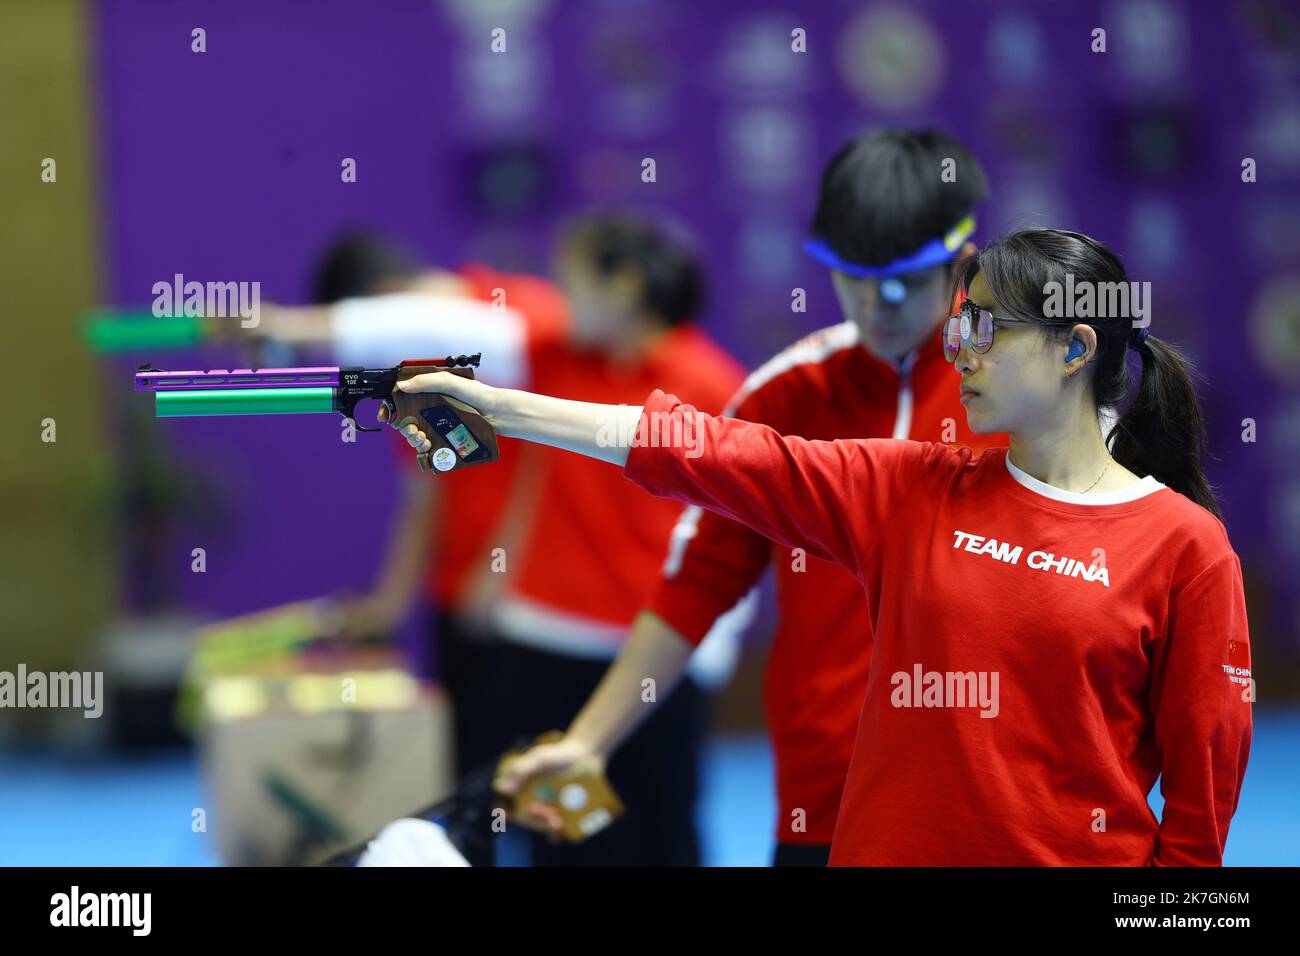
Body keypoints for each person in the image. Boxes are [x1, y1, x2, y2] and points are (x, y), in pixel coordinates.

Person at [385, 228, 1253, 866]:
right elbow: (702, 450)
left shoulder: (1185, 547)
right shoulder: (910, 488)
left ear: (1075, 346)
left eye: (986, 329)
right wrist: (498, 406)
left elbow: (1201, 814)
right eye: (958, 326)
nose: (960, 351)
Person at [495, 128, 1005, 867]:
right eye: (851, 278)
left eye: (902, 281)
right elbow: (695, 584)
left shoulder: (1030, 393)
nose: (876, 305)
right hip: (827, 805)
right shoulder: (781, 396)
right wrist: (586, 741)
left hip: (998, 807)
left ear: (962, 261)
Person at [253, 216, 746, 866]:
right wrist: (292, 328)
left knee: (661, 827)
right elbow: (430, 329)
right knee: (554, 830)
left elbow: (743, 533)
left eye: (572, 281)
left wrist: (715, 644)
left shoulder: (713, 383)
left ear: (624, 287)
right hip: (539, 638)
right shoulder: (553, 352)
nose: (558, 295)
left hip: (649, 652)